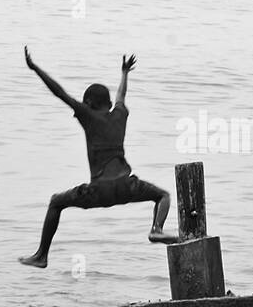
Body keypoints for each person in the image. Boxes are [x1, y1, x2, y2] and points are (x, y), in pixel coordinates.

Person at [20, 48, 177, 268]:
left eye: (85, 104)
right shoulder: (120, 115)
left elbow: (59, 93)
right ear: (108, 103)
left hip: (98, 192)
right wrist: (124, 74)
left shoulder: (88, 115)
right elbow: (121, 96)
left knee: (56, 202)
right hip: (127, 187)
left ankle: (41, 255)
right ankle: (156, 230)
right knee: (163, 196)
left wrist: (35, 68)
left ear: (90, 104)